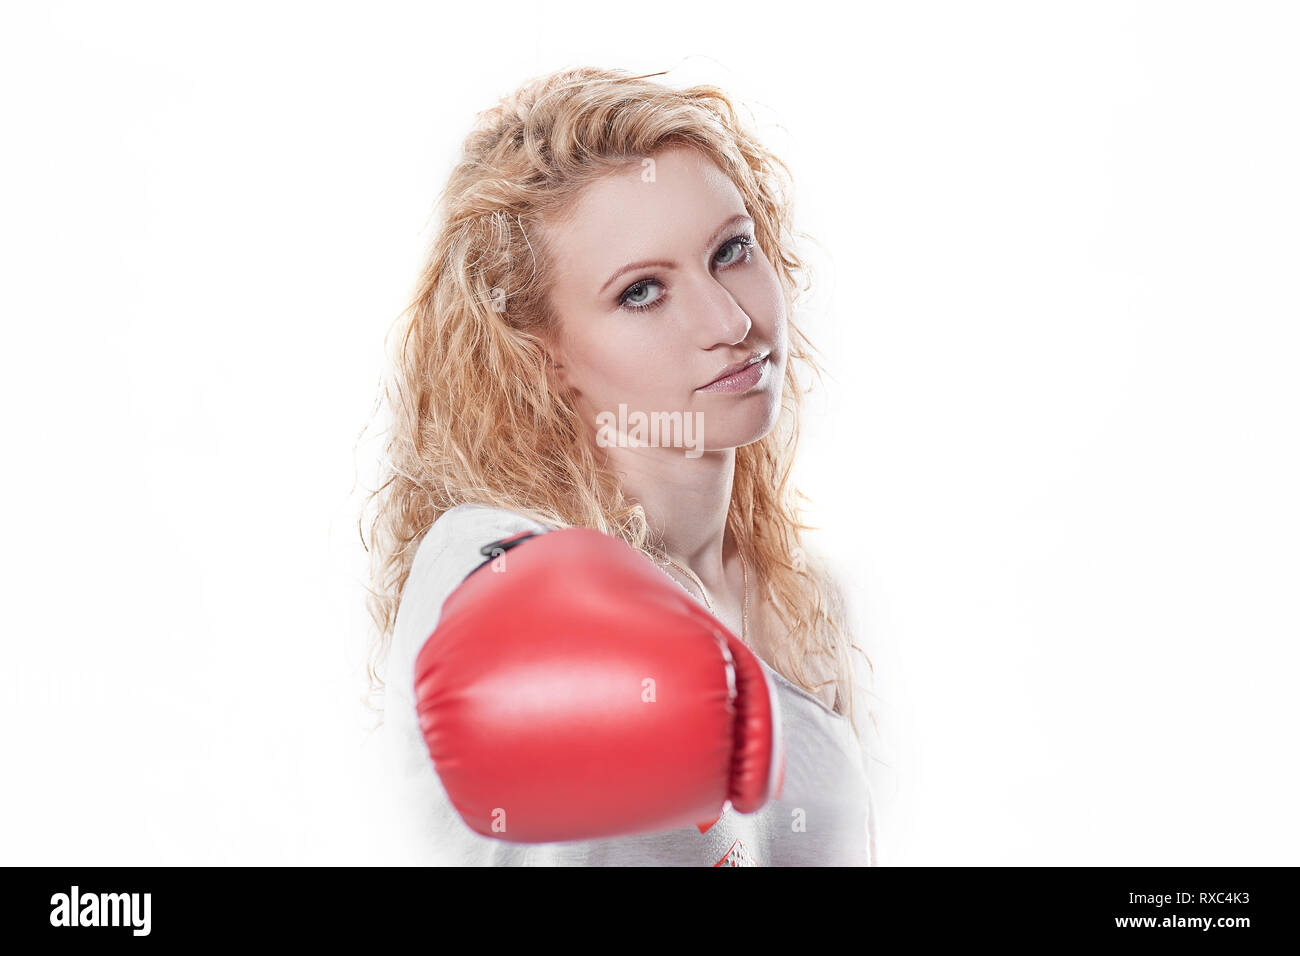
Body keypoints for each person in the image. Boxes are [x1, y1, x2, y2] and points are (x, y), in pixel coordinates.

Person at [359, 65, 886, 866]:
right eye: (643, 292)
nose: (732, 320)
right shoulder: (483, 557)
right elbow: (504, 626)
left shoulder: (810, 602)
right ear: (541, 358)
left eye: (732, 251)